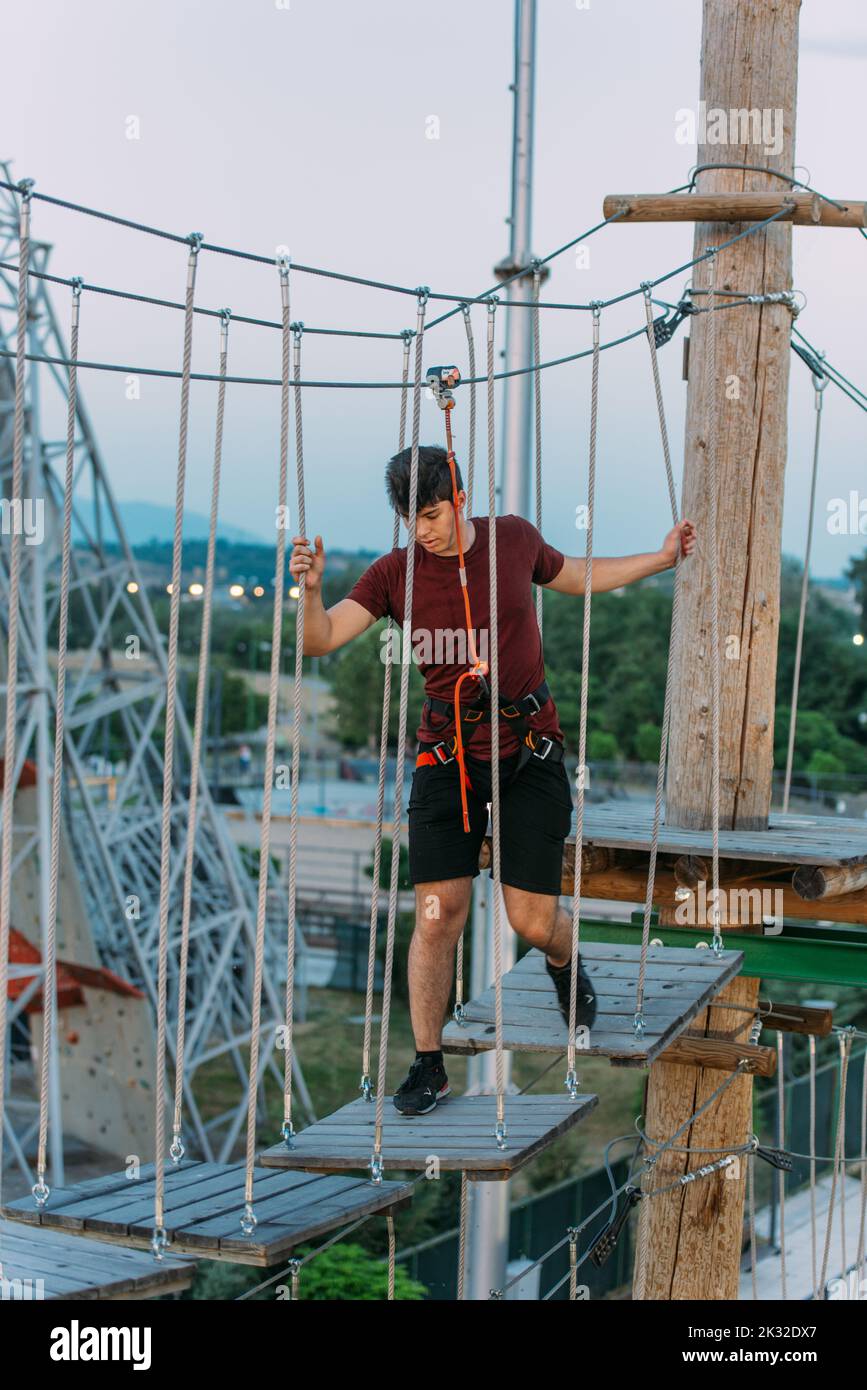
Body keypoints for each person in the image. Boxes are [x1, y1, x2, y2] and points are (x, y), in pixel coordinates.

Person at [289, 445, 695, 1116]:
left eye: (430, 514)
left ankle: (565, 964)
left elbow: (578, 576)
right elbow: (320, 640)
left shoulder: (512, 540)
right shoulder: (395, 574)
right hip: (447, 760)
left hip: (528, 754)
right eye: (409, 519)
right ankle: (427, 1063)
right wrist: (308, 593)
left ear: (458, 495)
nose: (423, 531)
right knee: (437, 912)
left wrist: (659, 558)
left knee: (531, 921)